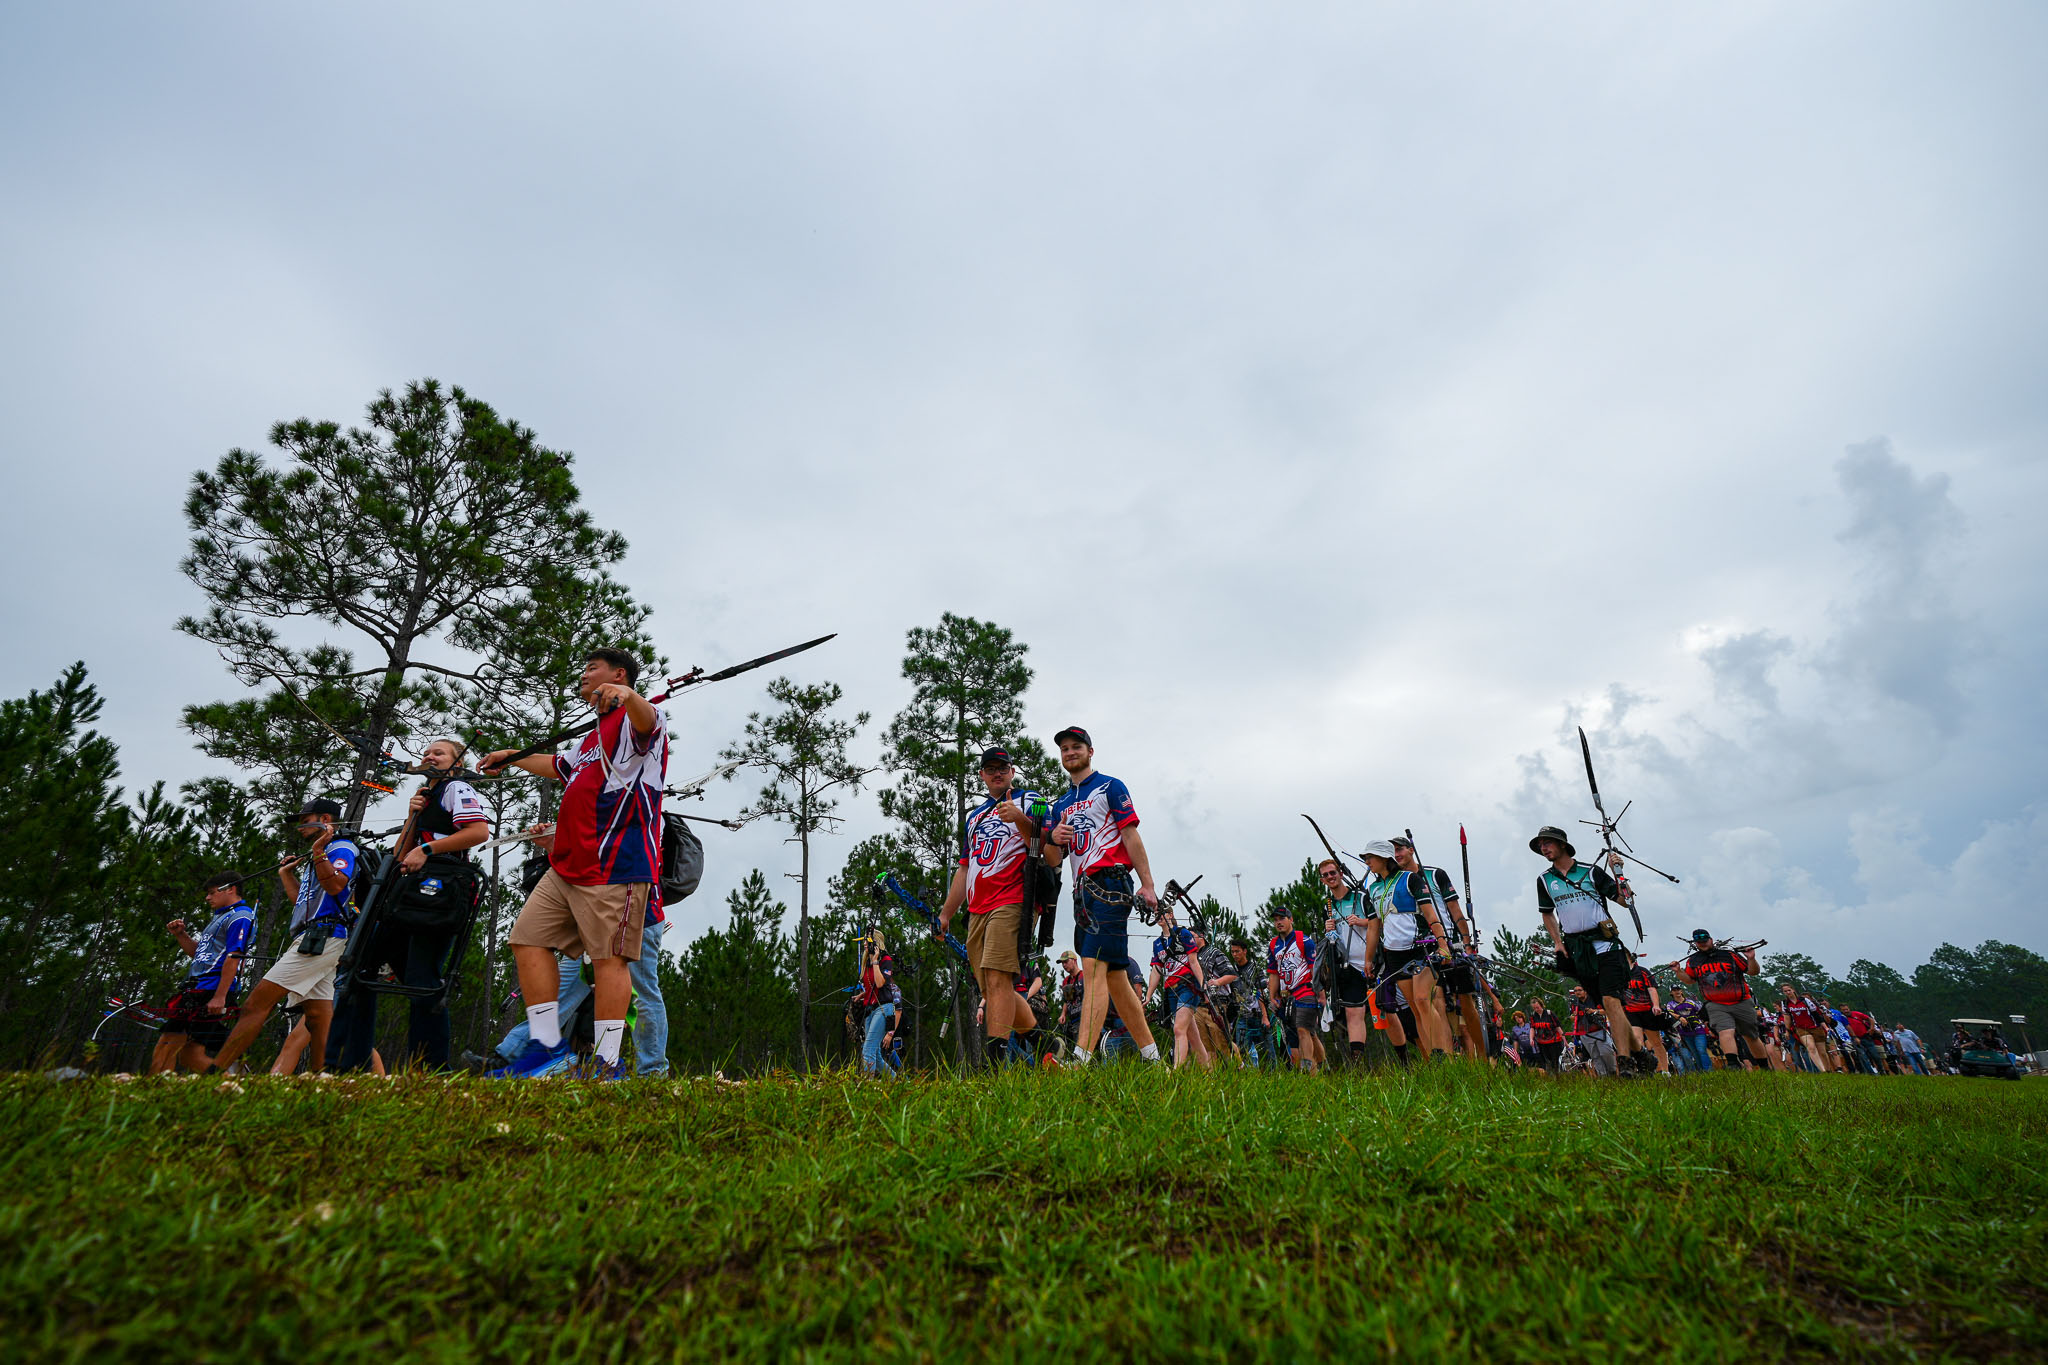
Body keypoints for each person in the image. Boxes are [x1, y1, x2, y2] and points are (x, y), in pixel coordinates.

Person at [482, 647, 669, 1081]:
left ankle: (607, 1063)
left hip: (614, 864)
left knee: (610, 961)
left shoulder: (638, 721)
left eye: (592, 668)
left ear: (619, 675)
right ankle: (548, 1046)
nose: (583, 675)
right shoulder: (591, 738)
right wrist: (510, 756)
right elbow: (557, 765)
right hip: (566, 865)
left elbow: (648, 720)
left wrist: (626, 694)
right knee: (526, 939)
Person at [331, 738, 491, 1072]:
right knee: (361, 967)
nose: (430, 756)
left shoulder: (455, 788)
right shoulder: (427, 795)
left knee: (423, 978)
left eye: (439, 752)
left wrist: (429, 850)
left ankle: (432, 1068)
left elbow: (478, 832)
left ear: (456, 763)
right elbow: (402, 854)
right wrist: (411, 816)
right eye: (427, 752)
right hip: (408, 893)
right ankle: (349, 1062)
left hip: (440, 891)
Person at [209, 799, 359, 1073]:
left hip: (322, 937)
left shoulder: (340, 848)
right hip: (320, 935)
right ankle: (323, 1078)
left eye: (305, 821)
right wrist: (285, 873)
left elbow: (338, 885)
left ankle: (214, 1073)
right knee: (317, 1016)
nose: (300, 827)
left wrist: (318, 851)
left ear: (325, 819)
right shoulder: (321, 856)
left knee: (256, 1004)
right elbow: (302, 904)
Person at [1041, 727, 1162, 1066]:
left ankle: (1079, 1060)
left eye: (1076, 746)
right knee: (1115, 978)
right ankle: (1154, 1060)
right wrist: (1054, 836)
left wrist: (1148, 884)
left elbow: (1130, 833)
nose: (1069, 753)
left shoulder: (1110, 786)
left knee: (1092, 966)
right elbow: (1053, 860)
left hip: (1111, 883)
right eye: (1064, 749)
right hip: (1082, 895)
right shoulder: (1060, 803)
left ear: (1090, 751)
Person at [938, 747, 1044, 1069]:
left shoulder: (1030, 799)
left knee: (999, 978)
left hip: (1013, 900)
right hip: (978, 909)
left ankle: (995, 1065)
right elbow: (964, 867)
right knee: (994, 988)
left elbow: (1047, 846)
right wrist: (946, 913)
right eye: (991, 769)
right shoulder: (973, 817)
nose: (997, 773)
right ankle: (1044, 1043)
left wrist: (1021, 820)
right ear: (982, 775)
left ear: (1013, 771)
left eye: (1003, 767)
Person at [1530, 826, 1647, 1076]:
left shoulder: (1591, 871)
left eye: (1548, 842)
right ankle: (1641, 1053)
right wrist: (1558, 942)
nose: (1544, 848)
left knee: (1610, 999)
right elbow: (1547, 913)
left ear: (1562, 845)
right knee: (1608, 1004)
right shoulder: (1544, 879)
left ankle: (1625, 1062)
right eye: (1541, 844)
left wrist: (1620, 873)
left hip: (1605, 944)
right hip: (1577, 950)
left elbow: (1625, 900)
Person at [1390, 836, 1488, 1061]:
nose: (1397, 855)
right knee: (1433, 1001)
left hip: (1450, 943)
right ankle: (1445, 1058)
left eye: (1400, 849)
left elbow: (1454, 909)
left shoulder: (1435, 874)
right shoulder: (1397, 882)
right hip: (1423, 946)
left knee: (1465, 1001)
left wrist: (1465, 941)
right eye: (1393, 852)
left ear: (1411, 850)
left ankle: (1483, 1057)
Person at [1359, 840, 1456, 1059]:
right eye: (1365, 858)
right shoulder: (1372, 889)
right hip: (1394, 953)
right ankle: (1433, 1059)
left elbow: (1431, 915)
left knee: (1423, 1000)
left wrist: (1443, 946)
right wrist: (1368, 960)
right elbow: (1374, 926)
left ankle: (1444, 1056)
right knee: (1414, 1007)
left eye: (1370, 857)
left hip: (1420, 947)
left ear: (1384, 858)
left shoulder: (1411, 879)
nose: (1367, 862)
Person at [152, 874, 256, 1074]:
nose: (207, 898)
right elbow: (198, 954)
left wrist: (220, 996)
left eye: (212, 893)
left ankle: (155, 1091)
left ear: (230, 889)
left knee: (168, 1043)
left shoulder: (241, 915)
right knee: (189, 1055)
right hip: (197, 987)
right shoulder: (219, 916)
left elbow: (234, 956)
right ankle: (235, 1085)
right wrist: (181, 935)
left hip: (210, 990)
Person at [1675, 930, 1774, 1071]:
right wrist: (1679, 972)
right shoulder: (1694, 961)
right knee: (1725, 1031)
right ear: (1696, 943)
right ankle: (1733, 1065)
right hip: (1716, 1004)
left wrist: (1751, 958)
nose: (1703, 944)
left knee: (1750, 1036)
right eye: (1699, 942)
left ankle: (1764, 1067)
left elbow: (1753, 971)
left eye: (1705, 941)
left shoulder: (1729, 955)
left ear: (1711, 940)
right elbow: (1690, 980)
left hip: (1741, 1001)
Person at [1319, 858, 1378, 1066]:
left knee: (1389, 1013)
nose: (1330, 877)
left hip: (1371, 961)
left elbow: (1378, 922)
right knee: (1354, 1012)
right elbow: (1331, 938)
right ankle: (1358, 1062)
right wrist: (1328, 928)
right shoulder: (1327, 905)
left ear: (1341, 873)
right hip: (1346, 965)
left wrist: (1361, 921)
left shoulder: (1361, 897)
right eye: (1325, 875)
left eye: (1332, 872)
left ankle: (1405, 1056)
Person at [1146, 907, 1211, 1069]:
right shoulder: (1158, 943)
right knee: (1193, 1037)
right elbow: (1157, 970)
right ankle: (1209, 1074)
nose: (1158, 917)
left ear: (1170, 914)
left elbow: (1194, 961)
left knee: (1178, 1029)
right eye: (1156, 915)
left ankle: (1177, 1071)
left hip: (1187, 985)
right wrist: (1148, 996)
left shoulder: (1183, 934)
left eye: (1162, 913)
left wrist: (1204, 986)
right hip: (1171, 991)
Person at [1265, 904, 1325, 1073]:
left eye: (1282, 918)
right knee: (1310, 1033)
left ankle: (1307, 1071)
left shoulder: (1304, 940)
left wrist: (1321, 994)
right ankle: (1321, 1066)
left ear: (1291, 919)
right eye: (1276, 920)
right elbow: (1273, 973)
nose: (1279, 923)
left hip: (1306, 989)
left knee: (1302, 1030)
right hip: (1287, 995)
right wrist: (1272, 996)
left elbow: (1315, 969)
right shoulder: (1273, 945)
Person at [1620, 954, 1671, 1076]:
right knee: (1637, 1041)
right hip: (1631, 1012)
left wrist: (1656, 1005)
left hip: (1647, 1010)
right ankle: (1645, 1070)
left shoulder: (1642, 972)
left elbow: (1652, 989)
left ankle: (1665, 1070)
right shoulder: (1619, 975)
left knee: (1656, 1042)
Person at [857, 933, 899, 1078]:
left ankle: (866, 1087)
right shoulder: (866, 962)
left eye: (867, 941)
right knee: (875, 1054)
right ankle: (898, 1083)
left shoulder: (885, 960)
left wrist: (875, 961)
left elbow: (881, 983)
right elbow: (871, 986)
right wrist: (861, 995)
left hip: (883, 1008)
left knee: (867, 1050)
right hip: (870, 1009)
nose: (864, 944)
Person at [1225, 938, 1271, 1066]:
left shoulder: (1254, 968)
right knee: (1243, 1051)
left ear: (1244, 951)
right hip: (1240, 1017)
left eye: (1237, 951)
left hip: (1257, 1015)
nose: (1234, 954)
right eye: (1232, 952)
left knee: (1267, 1052)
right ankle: (1249, 1075)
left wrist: (1265, 1016)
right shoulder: (1231, 971)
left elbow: (1261, 991)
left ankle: (1272, 1076)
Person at [1778, 983, 1837, 1073]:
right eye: (1785, 991)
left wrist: (1825, 1026)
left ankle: (1828, 1069)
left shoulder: (1804, 1000)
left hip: (1815, 1026)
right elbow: (1787, 1017)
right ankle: (1823, 1070)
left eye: (1789, 990)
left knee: (1822, 1052)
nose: (1788, 992)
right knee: (1811, 1047)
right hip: (1801, 1028)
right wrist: (1787, 1030)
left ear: (1793, 990)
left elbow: (1815, 1014)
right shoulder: (1785, 1003)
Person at [1663, 984, 1714, 1074]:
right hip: (1684, 1031)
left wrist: (1707, 1026)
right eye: (1674, 990)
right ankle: (1701, 1071)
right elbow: (1669, 1013)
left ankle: (1709, 1071)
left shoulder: (1691, 1001)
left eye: (1678, 989)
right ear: (1671, 993)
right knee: (1694, 1052)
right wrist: (1679, 1017)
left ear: (1681, 991)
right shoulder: (1671, 1004)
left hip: (1698, 1029)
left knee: (1701, 1050)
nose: (1677, 991)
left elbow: (1701, 1012)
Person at [1568, 985, 1618, 1076]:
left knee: (1606, 1052)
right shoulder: (1574, 1004)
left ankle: (1613, 1071)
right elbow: (1571, 1016)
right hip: (1585, 1034)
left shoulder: (1595, 1000)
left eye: (1580, 990)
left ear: (1585, 991)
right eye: (1575, 991)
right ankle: (1603, 1076)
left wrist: (1593, 1011)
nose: (1577, 992)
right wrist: (1574, 1016)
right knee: (1595, 1056)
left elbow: (1606, 1011)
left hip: (1600, 1030)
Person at [1526, 997, 1566, 1073]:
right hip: (1542, 1042)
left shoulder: (1549, 1013)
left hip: (1554, 1041)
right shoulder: (1533, 1016)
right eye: (1534, 1008)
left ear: (1541, 1005)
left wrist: (1564, 1040)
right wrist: (1531, 1038)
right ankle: (1549, 1075)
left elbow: (1558, 1027)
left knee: (1555, 1060)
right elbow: (1532, 1028)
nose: (1536, 1009)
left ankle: (1558, 1075)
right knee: (1546, 1061)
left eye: (1537, 1007)